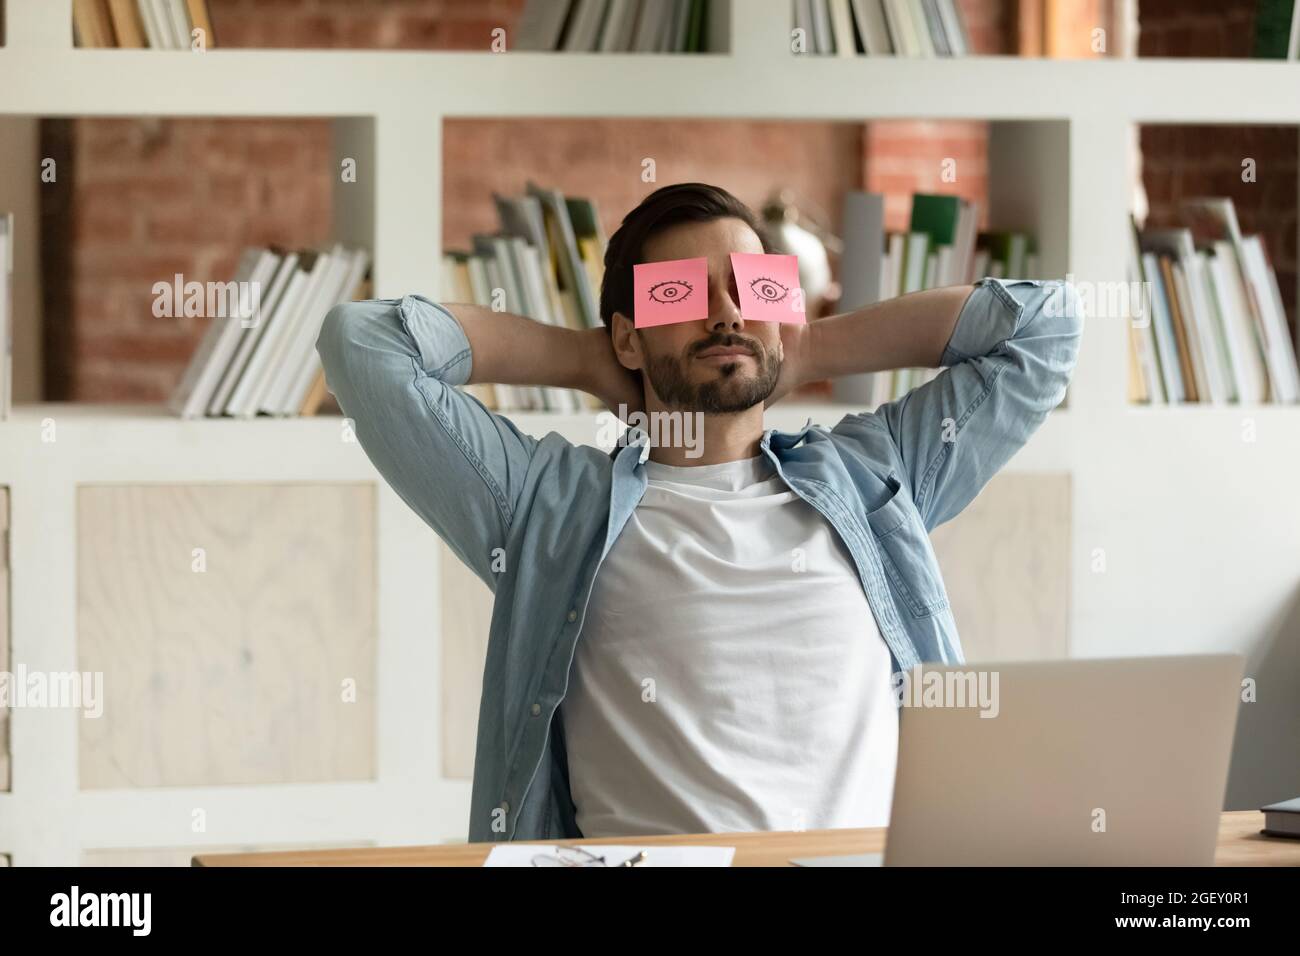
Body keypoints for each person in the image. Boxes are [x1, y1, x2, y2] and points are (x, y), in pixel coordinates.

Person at [316, 181, 1082, 843]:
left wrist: (805, 347)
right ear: (627, 334)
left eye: (753, 287)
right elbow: (366, 344)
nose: (726, 313)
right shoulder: (544, 505)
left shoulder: (878, 478)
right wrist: (591, 359)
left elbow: (1044, 328)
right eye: (677, 294)